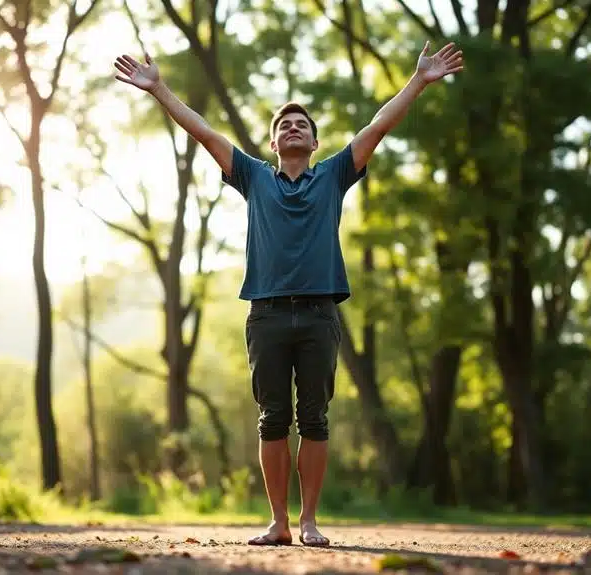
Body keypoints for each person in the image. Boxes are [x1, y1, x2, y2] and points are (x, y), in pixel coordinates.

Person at [113, 40, 463, 547]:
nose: (293, 127)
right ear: (274, 144)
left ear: (315, 144)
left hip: (321, 315)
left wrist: (419, 81)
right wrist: (160, 88)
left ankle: (309, 522)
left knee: (315, 418)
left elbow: (379, 126)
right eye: (284, 125)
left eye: (302, 124)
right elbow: (204, 131)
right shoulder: (253, 177)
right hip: (267, 315)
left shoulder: (334, 175)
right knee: (272, 418)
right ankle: (278, 522)